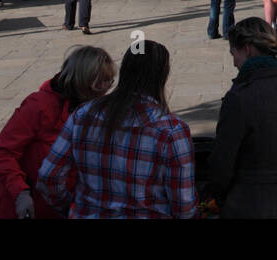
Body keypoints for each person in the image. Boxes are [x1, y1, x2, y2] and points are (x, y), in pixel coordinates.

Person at [36, 41, 196, 219]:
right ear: (162, 76)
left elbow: (48, 176)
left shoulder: (83, 115)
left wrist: (69, 207)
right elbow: (184, 207)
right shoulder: (171, 131)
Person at [0, 45, 116, 219]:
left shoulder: (93, 109)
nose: (104, 88)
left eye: (108, 81)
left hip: (65, 208)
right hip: (24, 209)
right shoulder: (38, 106)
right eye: (98, 82)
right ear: (81, 80)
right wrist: (20, 192)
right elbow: (2, 153)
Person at [208, 17, 277, 218]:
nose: (234, 62)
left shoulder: (240, 97)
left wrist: (221, 196)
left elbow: (221, 166)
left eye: (234, 54)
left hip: (249, 205)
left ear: (247, 49)